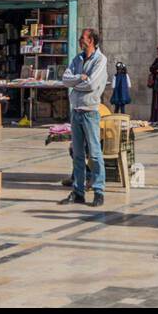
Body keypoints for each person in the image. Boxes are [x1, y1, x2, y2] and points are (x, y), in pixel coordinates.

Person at [61, 29, 108, 207]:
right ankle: (78, 191)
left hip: (90, 111)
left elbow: (92, 84)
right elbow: (65, 79)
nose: (81, 40)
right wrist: (80, 78)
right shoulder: (77, 59)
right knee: (78, 154)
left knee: (94, 154)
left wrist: (76, 84)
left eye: (83, 38)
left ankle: (98, 191)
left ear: (92, 41)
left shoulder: (100, 60)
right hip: (76, 111)